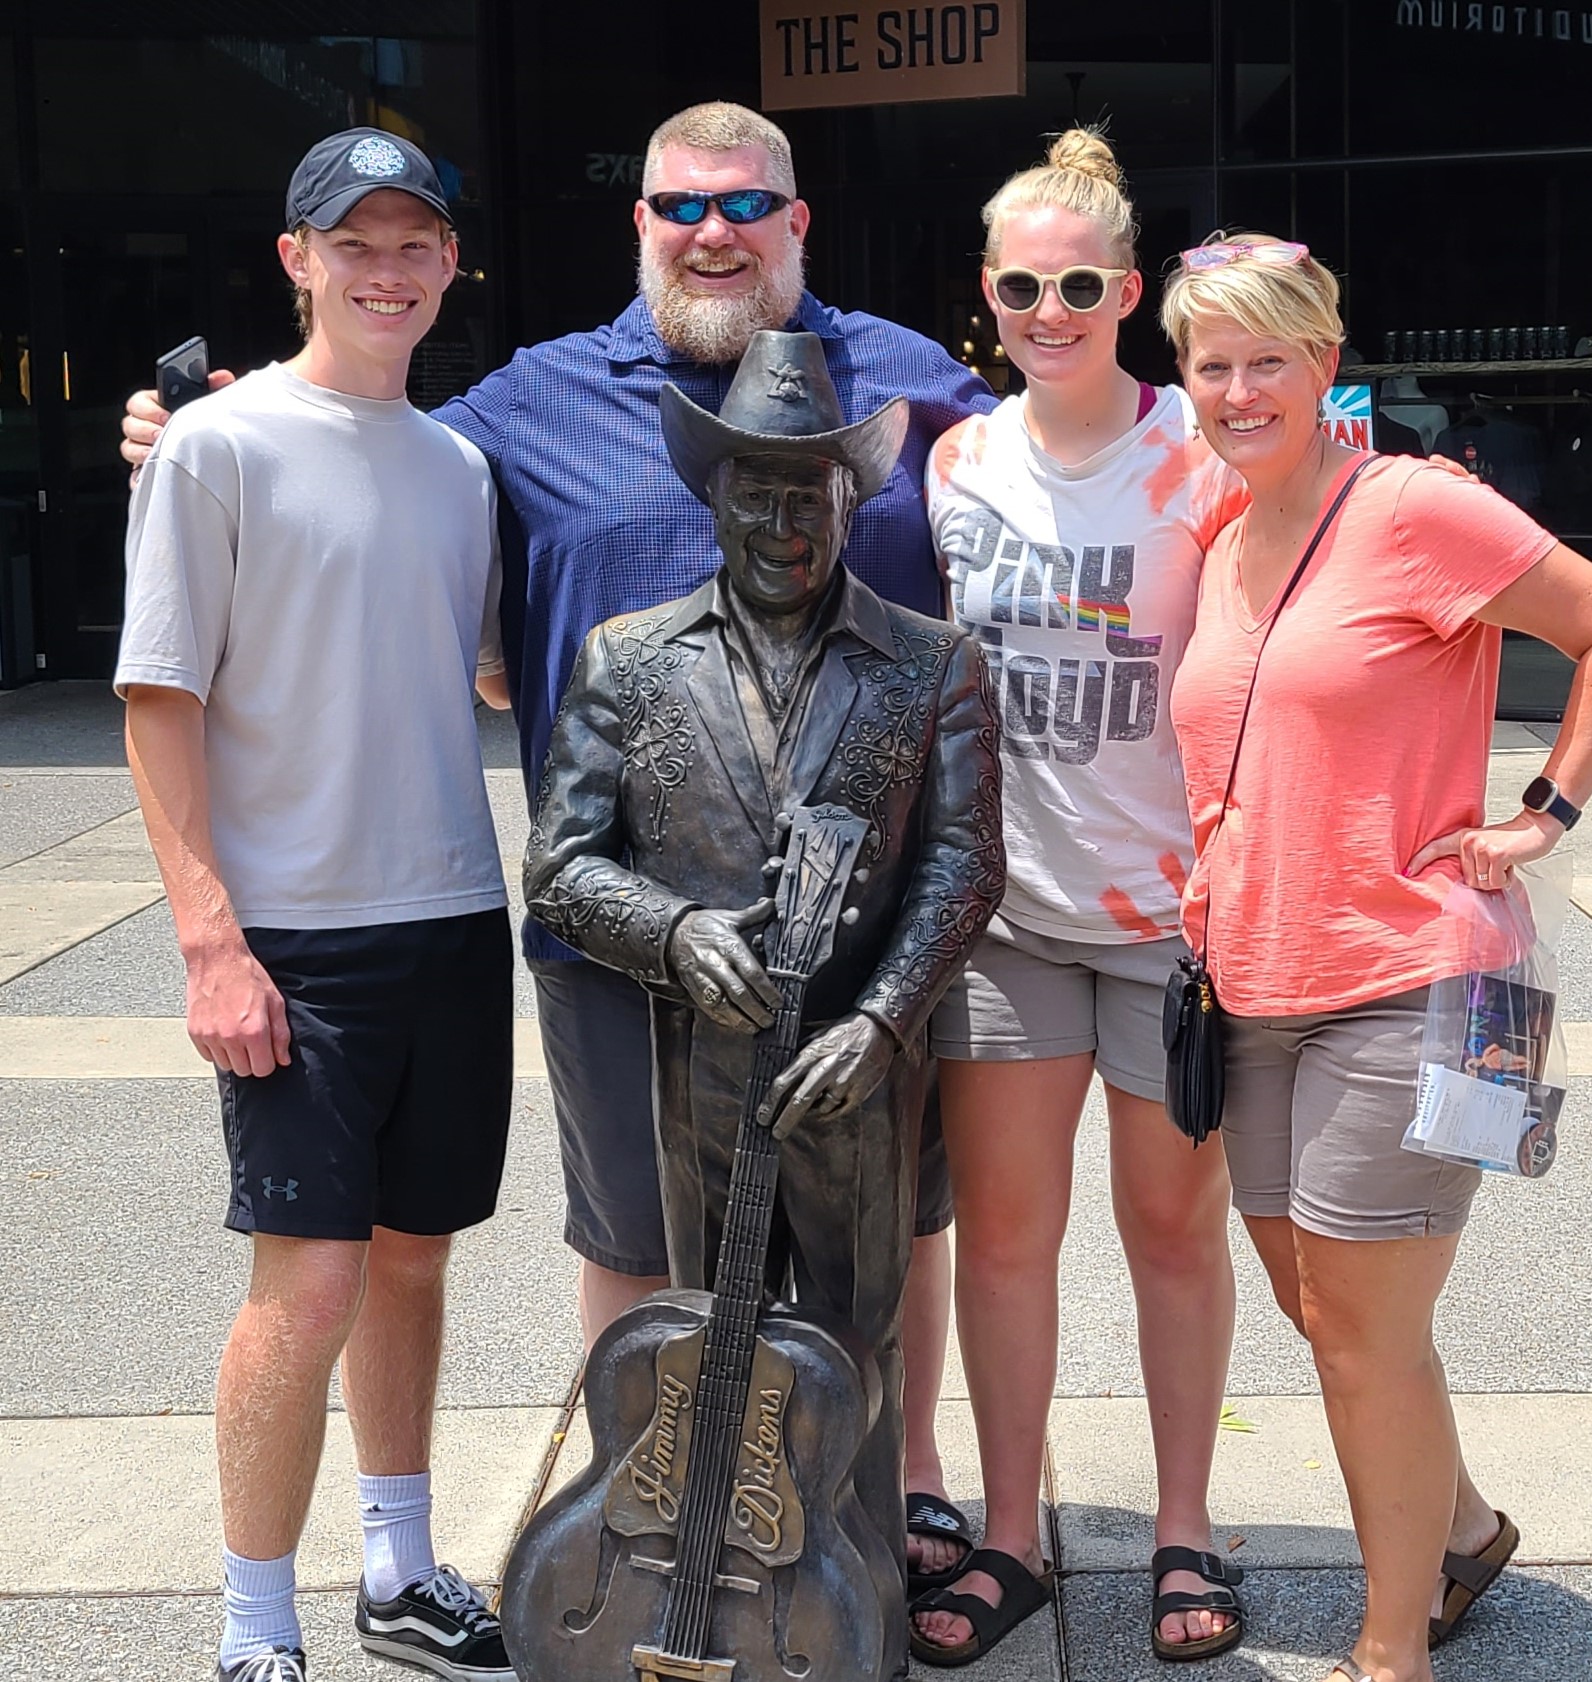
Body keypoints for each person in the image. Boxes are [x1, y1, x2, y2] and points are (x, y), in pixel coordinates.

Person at [121, 102, 993, 1586]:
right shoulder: (523, 405)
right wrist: (211, 422)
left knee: (878, 1230)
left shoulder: (920, 385)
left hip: (862, 924)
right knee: (632, 1226)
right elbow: (355, 449)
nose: (709, 229)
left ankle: (889, 1493)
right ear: (637, 223)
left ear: (797, 221)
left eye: (742, 202)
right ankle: (647, 1494)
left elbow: (1075, 468)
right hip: (617, 928)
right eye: (676, 205)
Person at [1160, 234, 1592, 1682]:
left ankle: (1394, 1644)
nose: (1240, 386)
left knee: (1362, 1330)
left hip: (1412, 977)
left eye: (1269, 357)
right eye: (1213, 363)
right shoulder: (1220, 523)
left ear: (1326, 363)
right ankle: (1459, 1524)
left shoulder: (1411, 506)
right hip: (1250, 981)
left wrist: (1540, 814)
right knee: (1317, 1302)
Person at [513, 329, 1005, 1682]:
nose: (784, 521)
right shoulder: (628, 657)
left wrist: (883, 1019)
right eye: (756, 492)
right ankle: (714, 1604)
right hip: (701, 1075)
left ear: (851, 502)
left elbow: (964, 869)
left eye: (811, 494)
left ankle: (851, 1618)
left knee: (861, 1346)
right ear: (712, 496)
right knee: (704, 1349)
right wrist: (670, 932)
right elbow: (559, 867)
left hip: (860, 1077)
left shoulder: (933, 662)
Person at [116, 131, 516, 1682]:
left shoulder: (461, 467)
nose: (388, 268)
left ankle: (401, 1566)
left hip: (451, 917)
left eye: (417, 242)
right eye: (356, 242)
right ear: (297, 258)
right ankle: (251, 1620)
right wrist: (209, 939)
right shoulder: (219, 449)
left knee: (415, 1256)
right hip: (294, 938)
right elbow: (158, 700)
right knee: (311, 1279)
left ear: (446, 267)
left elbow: (478, 670)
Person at [914, 131, 1248, 1667]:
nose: (1049, 308)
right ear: (988, 295)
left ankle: (1184, 1524)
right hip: (1009, 913)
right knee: (1001, 1237)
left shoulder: (1202, 455)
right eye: (1020, 284)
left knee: (1171, 1229)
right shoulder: (957, 459)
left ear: (1125, 288)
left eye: (1078, 283)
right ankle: (1005, 1532)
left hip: (1173, 919)